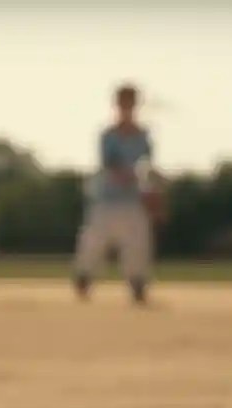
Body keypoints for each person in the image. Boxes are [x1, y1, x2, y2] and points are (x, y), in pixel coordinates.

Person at [73, 84, 163, 306]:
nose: (127, 106)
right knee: (94, 243)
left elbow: (148, 167)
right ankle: (83, 278)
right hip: (107, 198)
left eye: (130, 101)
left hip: (132, 200)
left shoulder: (143, 136)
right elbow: (111, 166)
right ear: (117, 104)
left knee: (137, 243)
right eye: (123, 101)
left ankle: (138, 284)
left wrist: (153, 191)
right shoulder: (108, 135)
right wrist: (134, 177)